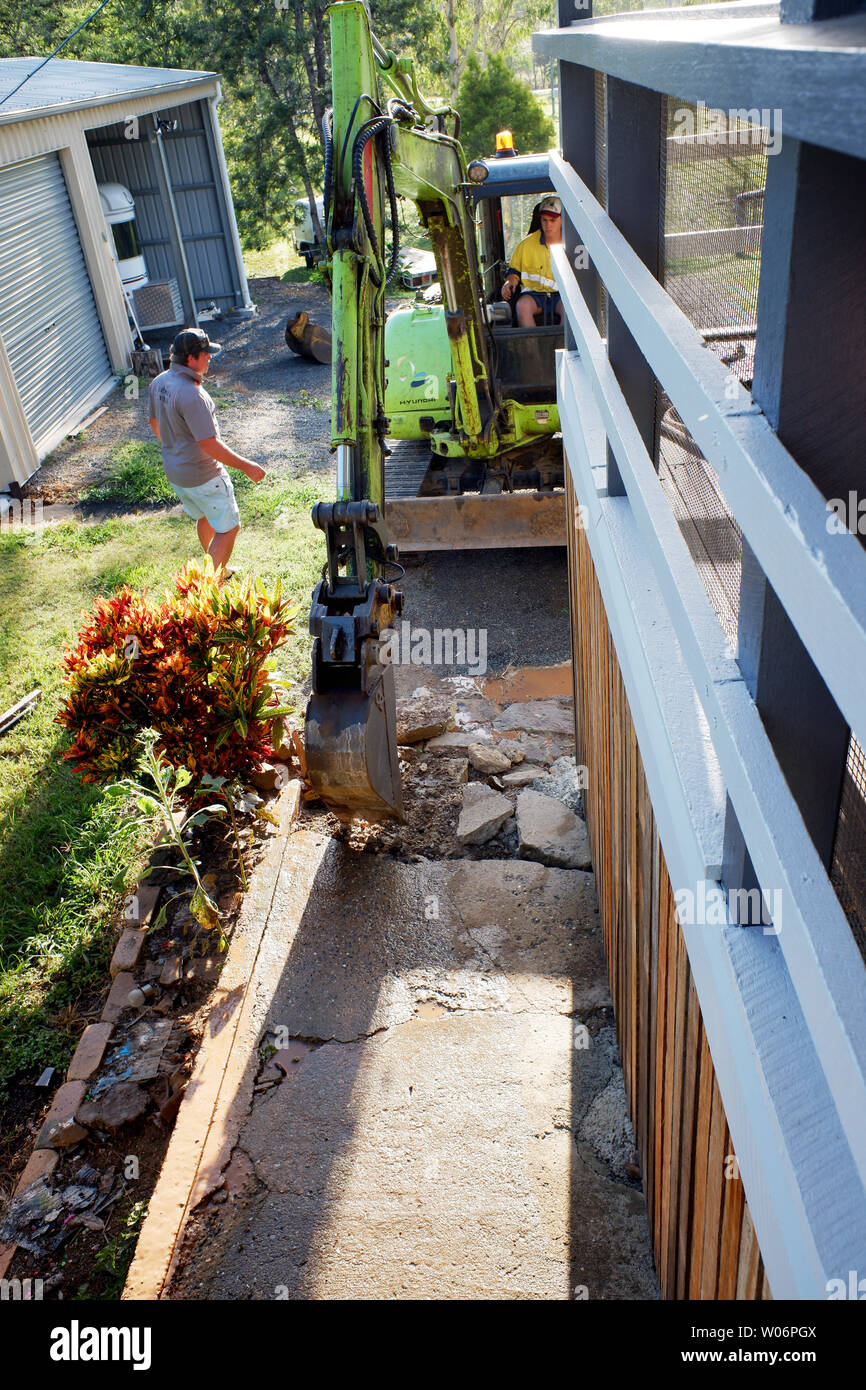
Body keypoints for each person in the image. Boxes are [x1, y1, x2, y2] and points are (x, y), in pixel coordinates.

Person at [148, 327, 266, 576]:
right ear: (190, 358)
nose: (209, 357)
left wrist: (176, 446)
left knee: (205, 516)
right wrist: (247, 466)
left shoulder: (159, 382)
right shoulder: (193, 395)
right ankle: (209, 586)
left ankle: (215, 567)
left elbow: (154, 423)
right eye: (205, 353)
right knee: (229, 528)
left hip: (177, 474)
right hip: (204, 476)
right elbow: (209, 444)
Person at [500, 194, 565, 327]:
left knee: (571, 310)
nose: (548, 225)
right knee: (522, 306)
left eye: (552, 220)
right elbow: (514, 273)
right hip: (534, 295)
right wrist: (508, 283)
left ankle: (565, 346)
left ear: (562, 220)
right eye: (544, 220)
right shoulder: (526, 245)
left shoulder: (573, 245)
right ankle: (532, 347)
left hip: (562, 296)